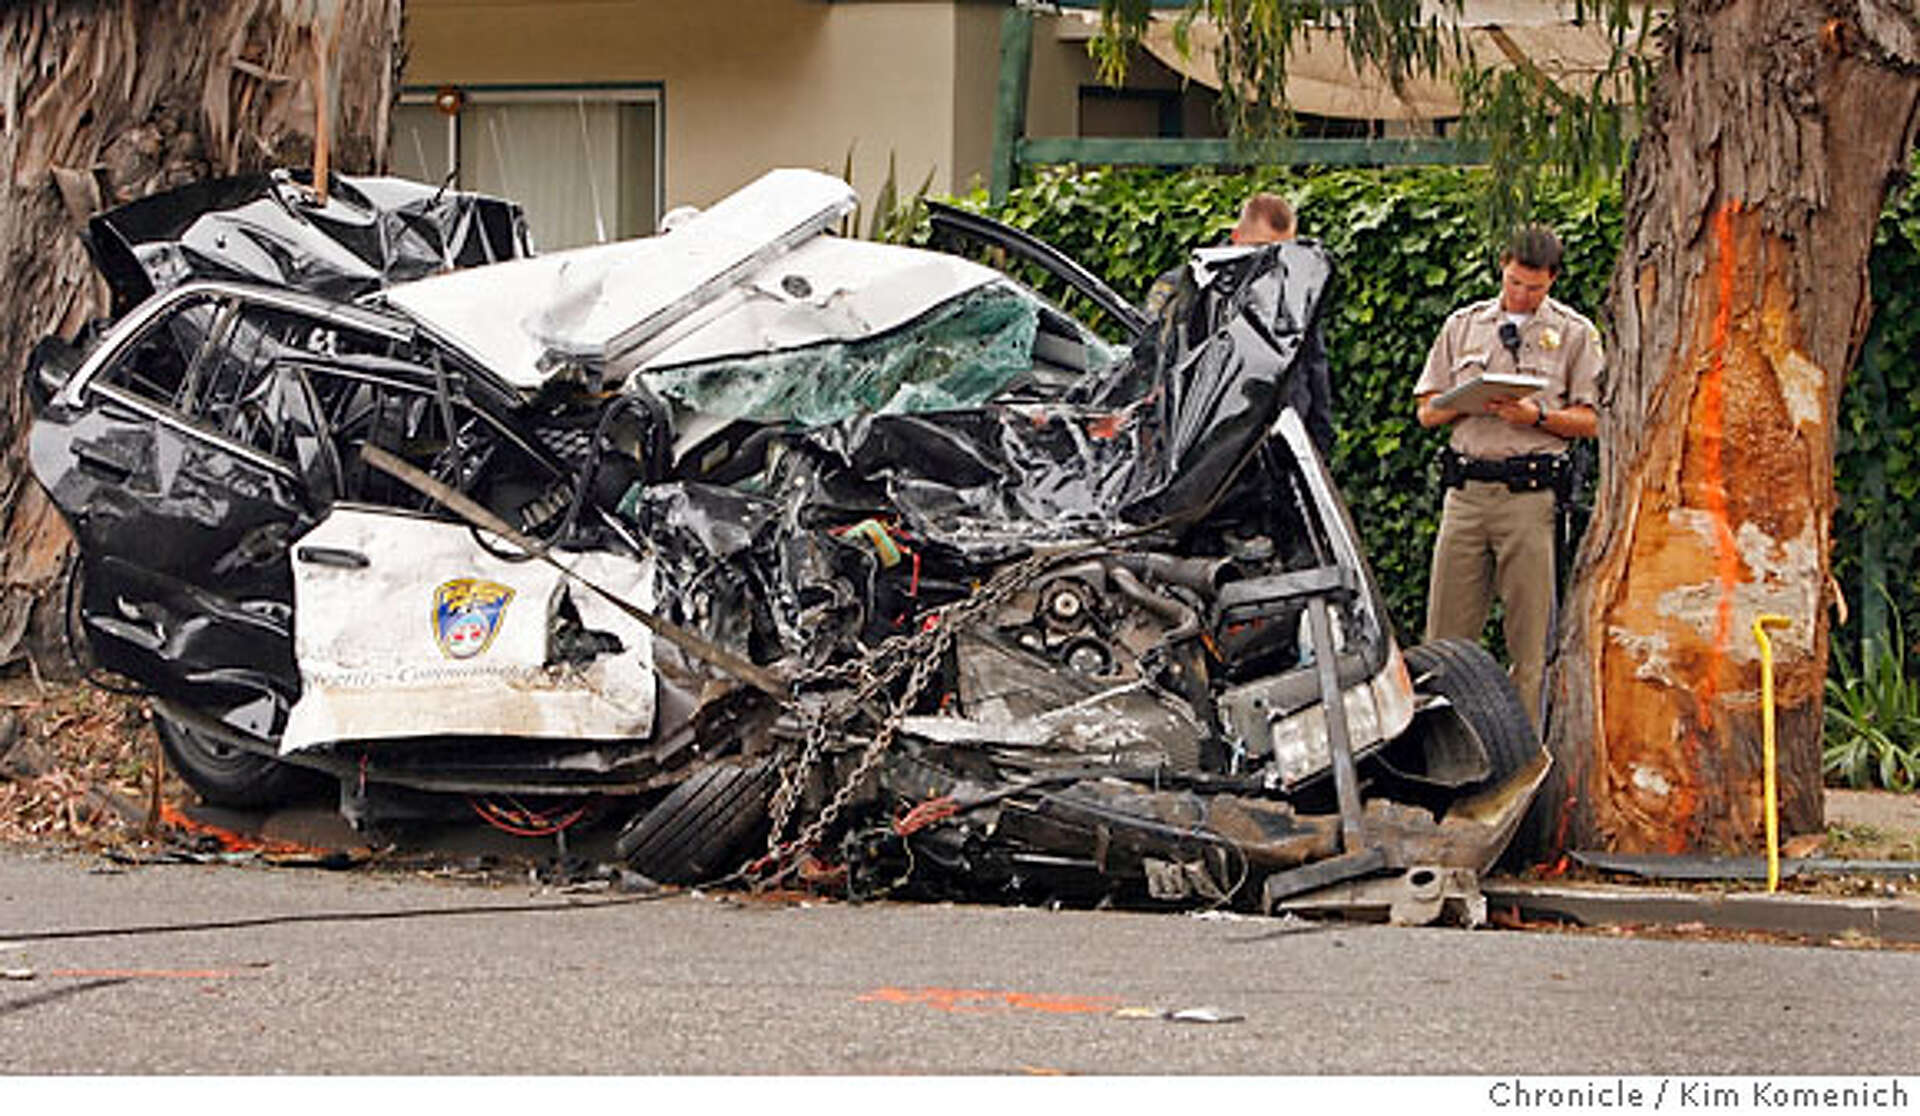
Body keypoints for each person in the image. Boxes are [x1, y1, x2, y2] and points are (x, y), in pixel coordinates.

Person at [1414, 223, 1601, 729]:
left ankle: (1523, 756)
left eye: (1534, 287)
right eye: (1515, 282)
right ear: (1503, 265)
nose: (1522, 294)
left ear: (1553, 280)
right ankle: (1443, 744)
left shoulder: (1574, 334)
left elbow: (1594, 419)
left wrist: (1536, 417)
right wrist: (1464, 402)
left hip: (1531, 497)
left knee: (1531, 642)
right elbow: (1426, 411)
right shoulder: (1465, 325)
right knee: (1446, 639)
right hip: (1467, 492)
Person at [1140, 192, 1335, 456]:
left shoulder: (1290, 296)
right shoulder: (1188, 287)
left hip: (1277, 446)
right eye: (1262, 249)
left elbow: (1313, 367)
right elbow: (1151, 359)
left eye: (1282, 252)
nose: (1271, 260)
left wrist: (1318, 447)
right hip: (1204, 453)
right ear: (1236, 238)